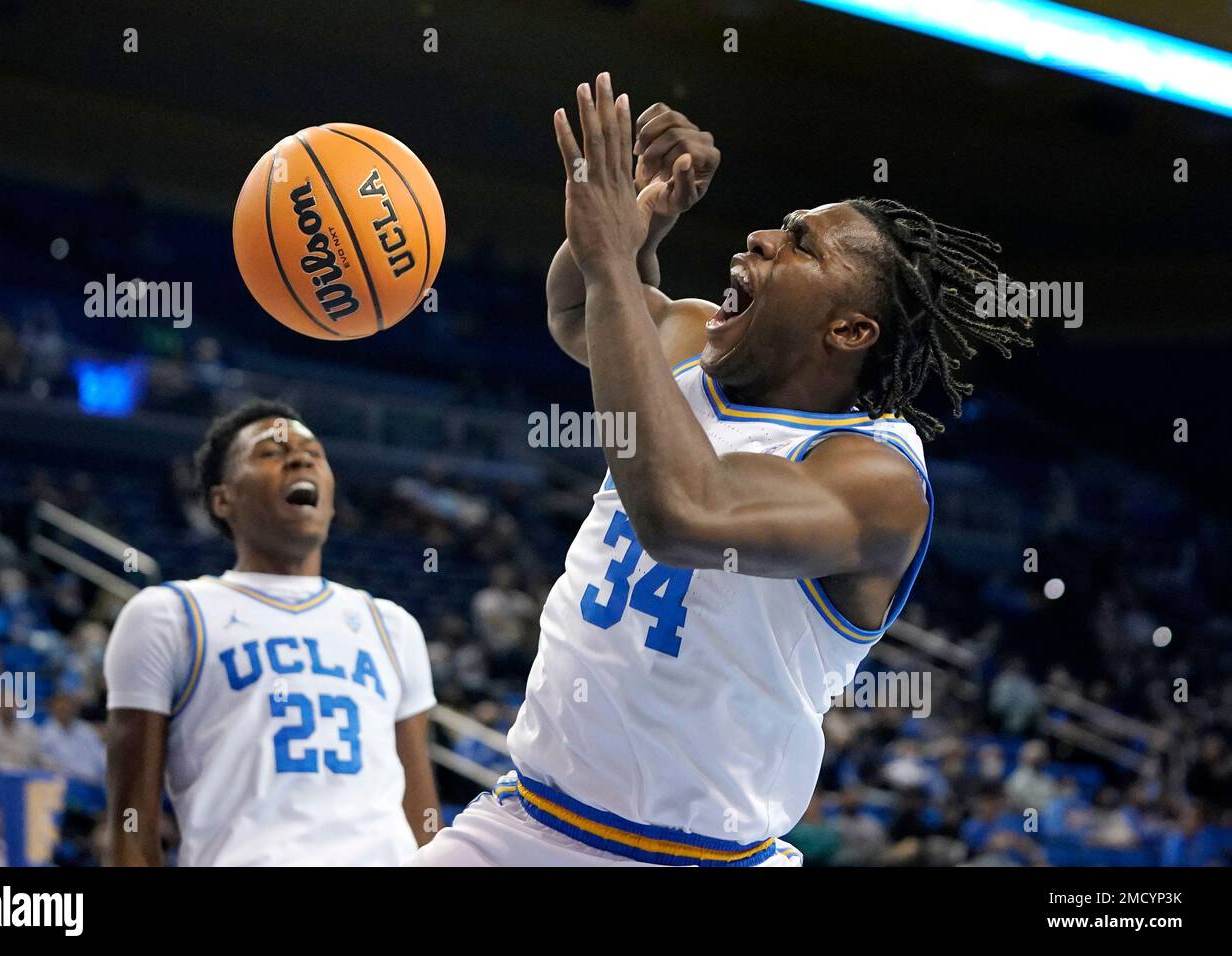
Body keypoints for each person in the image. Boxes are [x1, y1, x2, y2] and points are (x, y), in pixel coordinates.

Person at [412, 72, 1031, 868]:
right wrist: (642, 215)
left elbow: (684, 513)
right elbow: (576, 313)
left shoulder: (872, 477)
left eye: (801, 245)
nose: (761, 240)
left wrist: (612, 264)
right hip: (524, 823)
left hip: (701, 859)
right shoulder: (694, 341)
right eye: (779, 226)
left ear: (848, 329)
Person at [104, 400, 441, 865]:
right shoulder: (169, 615)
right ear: (223, 499)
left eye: (314, 452)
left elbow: (423, 822)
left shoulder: (392, 625)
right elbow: (131, 832)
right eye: (271, 451)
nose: (301, 458)